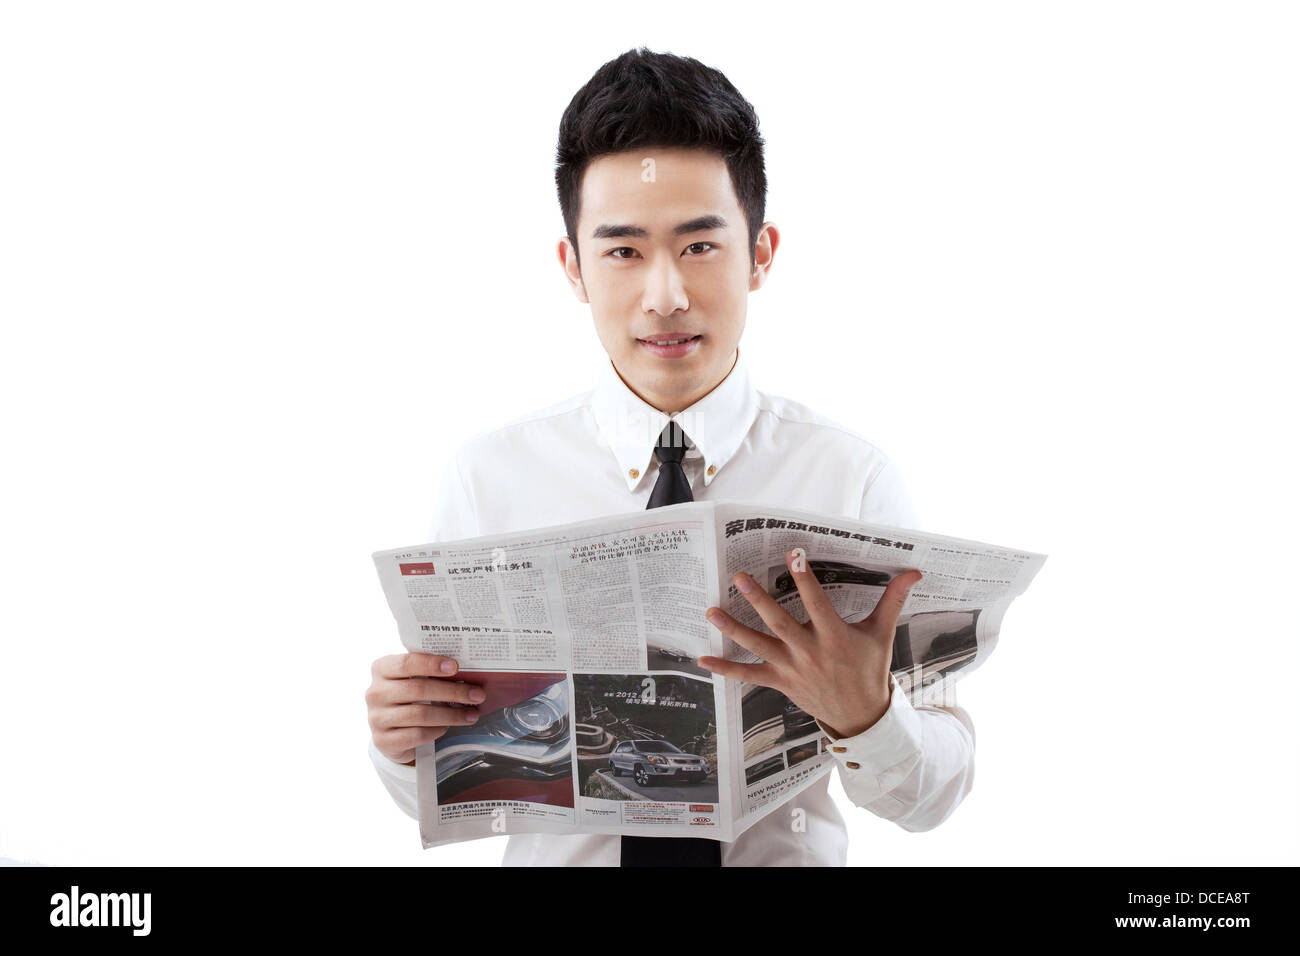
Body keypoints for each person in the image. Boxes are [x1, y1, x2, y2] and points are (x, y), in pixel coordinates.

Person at [365, 47, 975, 866]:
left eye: (699, 246)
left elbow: (934, 797)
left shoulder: (849, 477)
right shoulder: (489, 480)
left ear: (761, 253)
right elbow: (447, 794)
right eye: (622, 251)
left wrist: (868, 714)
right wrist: (403, 746)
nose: (665, 296)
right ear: (573, 268)